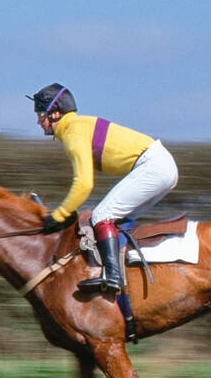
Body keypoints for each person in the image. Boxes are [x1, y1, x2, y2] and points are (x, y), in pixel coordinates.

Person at [29, 83, 179, 295]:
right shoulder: (77, 127)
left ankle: (113, 277)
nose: (38, 121)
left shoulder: (73, 132)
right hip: (160, 165)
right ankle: (124, 272)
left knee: (101, 215)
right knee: (116, 221)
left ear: (55, 114)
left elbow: (84, 183)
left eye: (41, 114)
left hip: (153, 166)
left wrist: (59, 215)